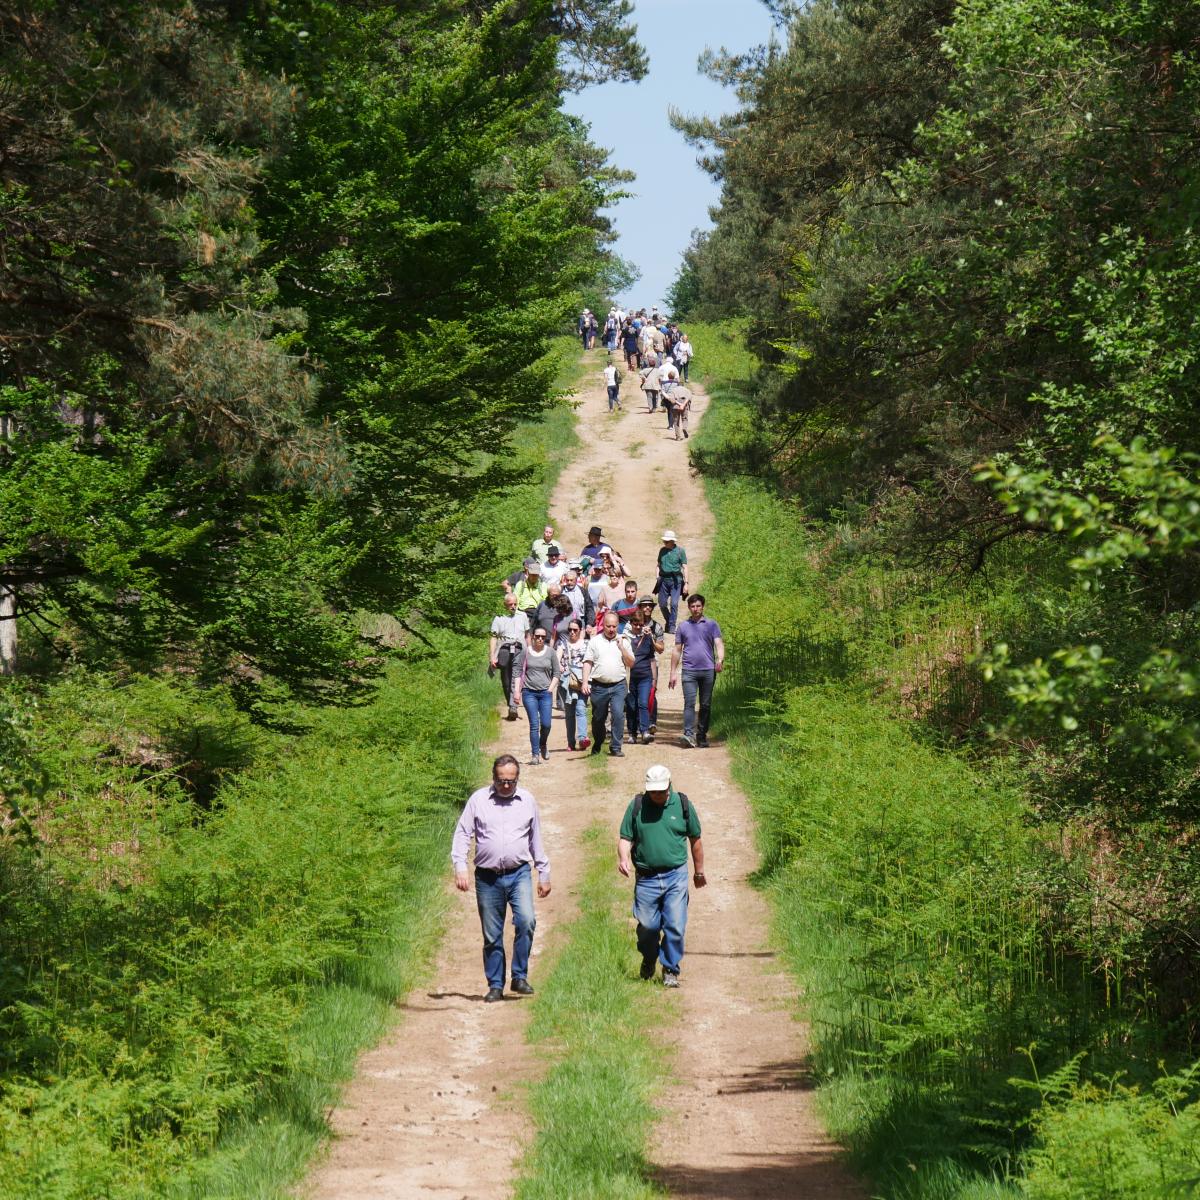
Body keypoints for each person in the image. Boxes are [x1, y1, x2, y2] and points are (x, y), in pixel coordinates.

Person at [452, 755, 551, 1002]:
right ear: (493, 777)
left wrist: (543, 873)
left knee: (527, 921)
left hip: (519, 873)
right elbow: (463, 833)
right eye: (501, 780)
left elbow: (536, 839)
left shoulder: (527, 801)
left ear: (517, 778)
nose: (506, 785)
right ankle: (495, 984)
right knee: (492, 933)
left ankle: (519, 977)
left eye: (511, 781)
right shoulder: (478, 800)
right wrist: (460, 866)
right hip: (487, 878)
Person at [617, 764, 705, 987]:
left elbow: (695, 839)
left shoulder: (682, 804)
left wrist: (699, 871)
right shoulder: (637, 805)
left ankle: (670, 968)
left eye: (660, 791)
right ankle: (649, 957)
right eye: (652, 791)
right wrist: (624, 858)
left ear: (669, 787)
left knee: (675, 924)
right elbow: (625, 837)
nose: (656, 795)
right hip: (646, 879)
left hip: (676, 875)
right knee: (648, 928)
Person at [669, 594, 725, 748]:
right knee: (689, 703)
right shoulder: (683, 626)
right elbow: (677, 650)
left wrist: (719, 660)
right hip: (689, 671)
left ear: (703, 606)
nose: (695, 609)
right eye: (693, 606)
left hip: (708, 670)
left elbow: (719, 644)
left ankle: (701, 735)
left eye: (698, 606)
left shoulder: (712, 624)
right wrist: (673, 672)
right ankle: (688, 734)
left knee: (706, 704)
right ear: (689, 608)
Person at [582, 611, 633, 757]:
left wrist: (622, 648)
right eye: (608, 626)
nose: (611, 629)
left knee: (618, 714)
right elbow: (588, 662)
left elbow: (631, 663)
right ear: (603, 625)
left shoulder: (624, 641)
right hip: (599, 686)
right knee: (598, 718)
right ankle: (598, 742)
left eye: (614, 626)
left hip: (619, 685)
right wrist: (585, 682)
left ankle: (616, 746)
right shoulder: (595, 641)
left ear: (618, 626)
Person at [513, 626, 560, 764]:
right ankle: (535, 755)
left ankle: (543, 744)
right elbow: (517, 671)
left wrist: (550, 689)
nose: (540, 639)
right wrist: (517, 691)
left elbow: (557, 673)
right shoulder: (525, 652)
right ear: (532, 637)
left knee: (546, 724)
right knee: (534, 724)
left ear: (545, 638)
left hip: (546, 693)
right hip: (529, 692)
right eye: (537, 636)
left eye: (543, 637)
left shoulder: (551, 652)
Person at [623, 609, 661, 744]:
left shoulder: (647, 638)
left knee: (643, 703)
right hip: (631, 678)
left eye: (640, 624)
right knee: (631, 706)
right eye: (635, 624)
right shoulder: (626, 638)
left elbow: (652, 659)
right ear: (631, 623)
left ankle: (644, 731)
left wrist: (654, 680)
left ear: (644, 623)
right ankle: (632, 733)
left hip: (646, 677)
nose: (638, 627)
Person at [489, 593, 528, 721]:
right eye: (510, 604)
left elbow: (527, 634)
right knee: (506, 679)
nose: (513, 606)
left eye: (515, 604)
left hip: (519, 648)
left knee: (516, 675)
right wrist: (492, 656)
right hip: (504, 648)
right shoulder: (499, 617)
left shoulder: (523, 616)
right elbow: (494, 637)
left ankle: (513, 707)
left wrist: (529, 650)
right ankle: (510, 703)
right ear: (505, 605)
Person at [558, 619, 591, 751]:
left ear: (580, 630)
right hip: (566, 682)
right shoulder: (562, 643)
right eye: (570, 630)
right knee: (570, 713)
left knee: (581, 708)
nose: (572, 632)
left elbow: (592, 660)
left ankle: (583, 738)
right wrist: (559, 665)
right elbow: (556, 657)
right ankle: (571, 742)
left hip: (582, 681)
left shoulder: (587, 644)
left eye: (575, 630)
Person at [655, 531, 689, 634]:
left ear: (672, 541)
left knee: (674, 604)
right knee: (662, 604)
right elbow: (658, 565)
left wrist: (686, 583)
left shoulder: (680, 551)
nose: (664, 542)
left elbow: (685, 567)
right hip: (663, 580)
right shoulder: (662, 550)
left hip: (676, 581)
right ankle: (669, 620)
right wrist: (657, 577)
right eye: (664, 541)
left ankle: (672, 626)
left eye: (666, 541)